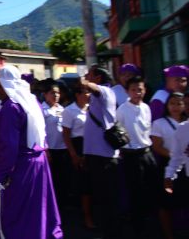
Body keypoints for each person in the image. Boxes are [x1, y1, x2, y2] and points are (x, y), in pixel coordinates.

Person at [0, 65, 62, 239]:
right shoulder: (32, 101)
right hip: (39, 163)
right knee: (39, 208)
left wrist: (0, 176)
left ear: (4, 84)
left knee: (18, 212)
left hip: (22, 166)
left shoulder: (11, 108)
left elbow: (9, 146)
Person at [116, 76, 160, 236]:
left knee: (151, 187)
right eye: (133, 90)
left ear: (145, 90)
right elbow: (118, 131)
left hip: (146, 152)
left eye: (140, 89)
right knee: (135, 191)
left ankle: (150, 220)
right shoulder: (122, 109)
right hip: (131, 155)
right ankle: (137, 226)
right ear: (128, 91)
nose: (137, 93)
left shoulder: (146, 108)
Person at [81, 65, 122, 238]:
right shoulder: (104, 94)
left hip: (103, 157)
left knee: (106, 199)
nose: (86, 76)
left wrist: (82, 80)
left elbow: (89, 86)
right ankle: (109, 231)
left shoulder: (105, 91)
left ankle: (111, 233)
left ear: (98, 78)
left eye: (90, 74)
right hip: (97, 155)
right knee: (103, 197)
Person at [151, 92, 186, 239]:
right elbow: (157, 146)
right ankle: (168, 234)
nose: (175, 107)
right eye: (172, 103)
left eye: (179, 103)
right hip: (168, 166)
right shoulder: (159, 123)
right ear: (167, 105)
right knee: (166, 203)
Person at [61, 84, 94, 229]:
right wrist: (74, 154)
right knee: (84, 184)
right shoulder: (69, 111)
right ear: (78, 94)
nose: (89, 95)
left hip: (92, 145)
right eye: (86, 92)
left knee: (93, 183)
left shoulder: (92, 109)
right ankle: (86, 217)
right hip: (78, 145)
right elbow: (66, 135)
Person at [40, 81, 68, 204]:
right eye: (52, 93)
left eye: (57, 93)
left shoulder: (62, 109)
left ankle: (62, 203)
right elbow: (40, 131)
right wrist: (45, 150)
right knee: (51, 179)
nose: (56, 95)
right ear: (45, 95)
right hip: (50, 149)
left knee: (63, 178)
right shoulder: (42, 110)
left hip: (62, 149)